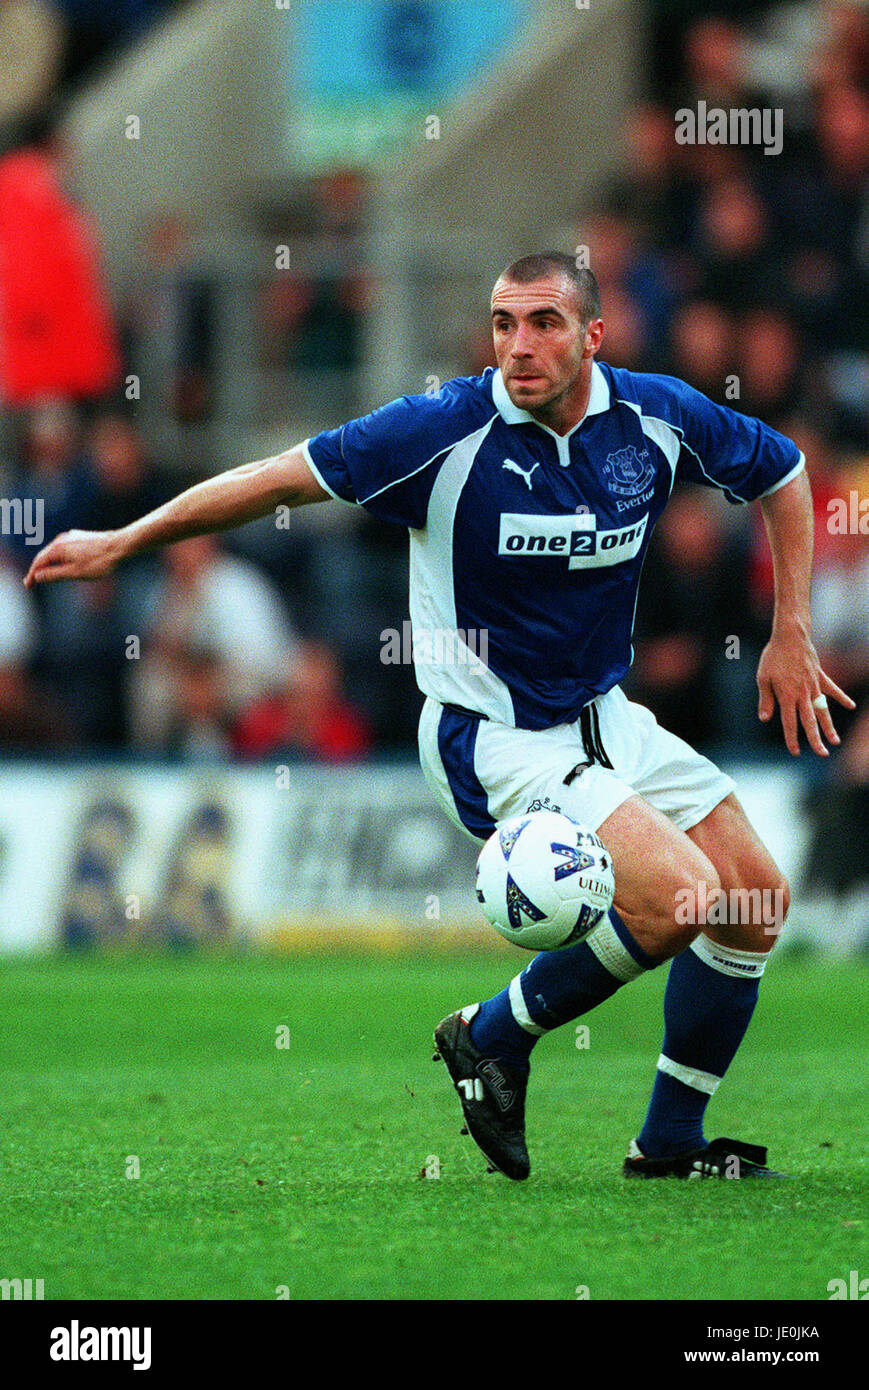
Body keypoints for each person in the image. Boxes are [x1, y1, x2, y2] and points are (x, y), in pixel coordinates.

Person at [24, 251, 854, 1181]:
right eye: (503, 323)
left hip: (601, 716)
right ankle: (490, 1036)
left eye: (542, 322)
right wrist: (127, 539)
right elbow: (276, 480)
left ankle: (666, 1144)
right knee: (682, 900)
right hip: (490, 734)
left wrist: (790, 631)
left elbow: (781, 473)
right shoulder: (442, 431)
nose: (519, 345)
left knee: (752, 903)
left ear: (593, 336)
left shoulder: (653, 417)